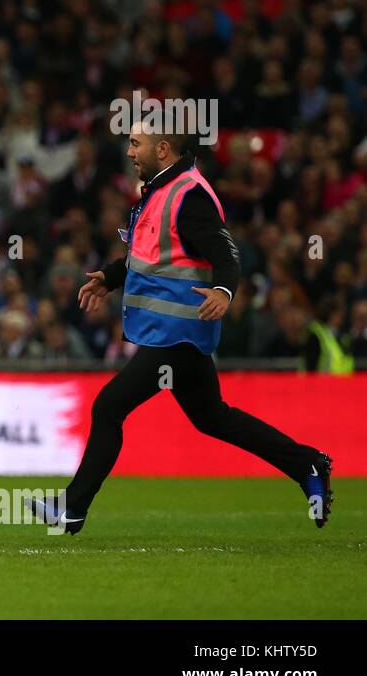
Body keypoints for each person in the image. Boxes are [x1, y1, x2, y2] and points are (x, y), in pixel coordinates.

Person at [34, 126, 332, 534]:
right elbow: (151, 257)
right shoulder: (160, 190)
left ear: (163, 148)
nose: (129, 151)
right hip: (175, 334)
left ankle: (72, 508)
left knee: (108, 407)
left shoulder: (188, 194)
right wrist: (109, 276)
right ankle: (308, 464)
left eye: (136, 143)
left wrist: (225, 290)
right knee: (213, 419)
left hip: (178, 333)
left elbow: (227, 252)